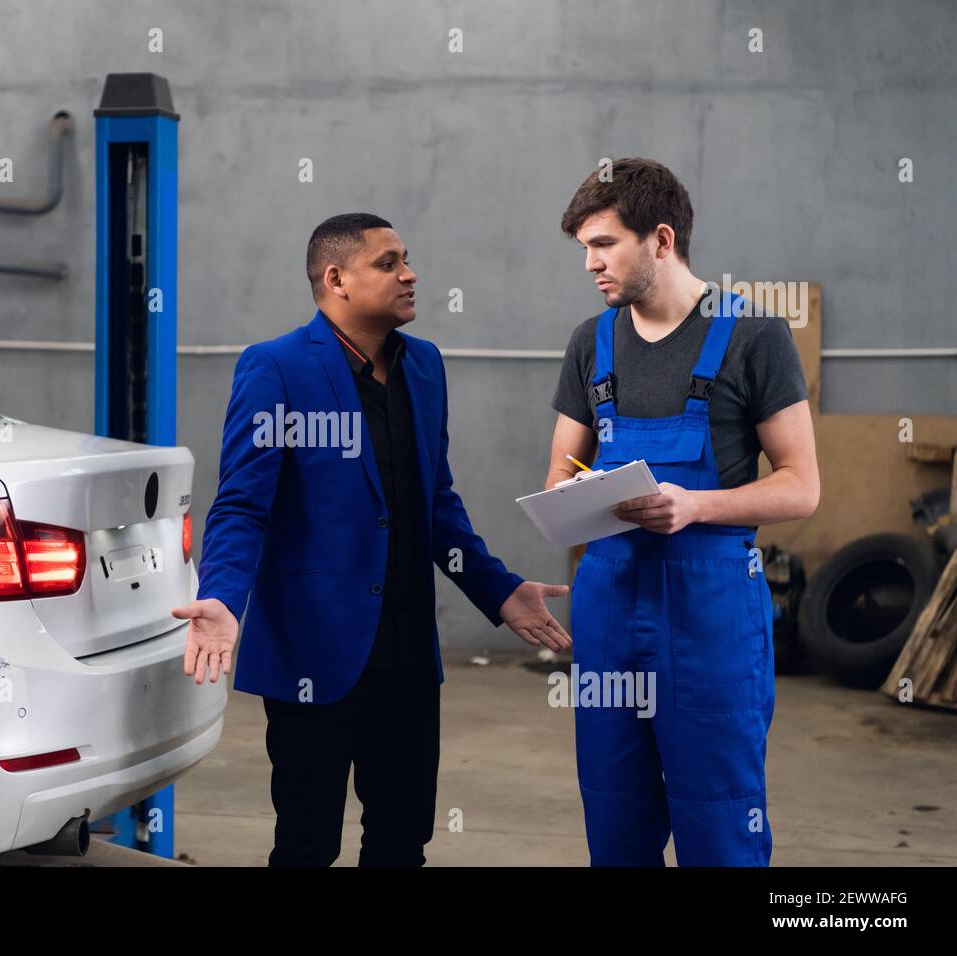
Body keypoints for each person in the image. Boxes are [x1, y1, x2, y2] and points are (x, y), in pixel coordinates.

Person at [173, 212, 571, 866]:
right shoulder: (275, 368)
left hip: (408, 656)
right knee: (305, 844)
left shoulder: (426, 368)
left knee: (403, 840)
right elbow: (244, 506)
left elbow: (435, 502)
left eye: (407, 259)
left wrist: (497, 591)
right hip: (314, 652)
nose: (410, 274)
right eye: (388, 263)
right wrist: (222, 596)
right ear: (336, 279)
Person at [548, 158, 820, 866]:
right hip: (609, 605)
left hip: (711, 615)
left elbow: (800, 486)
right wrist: (584, 500)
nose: (590, 264)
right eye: (583, 248)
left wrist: (695, 505)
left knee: (720, 822)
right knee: (615, 820)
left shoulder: (754, 337)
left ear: (661, 239)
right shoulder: (592, 343)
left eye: (603, 244)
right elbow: (559, 473)